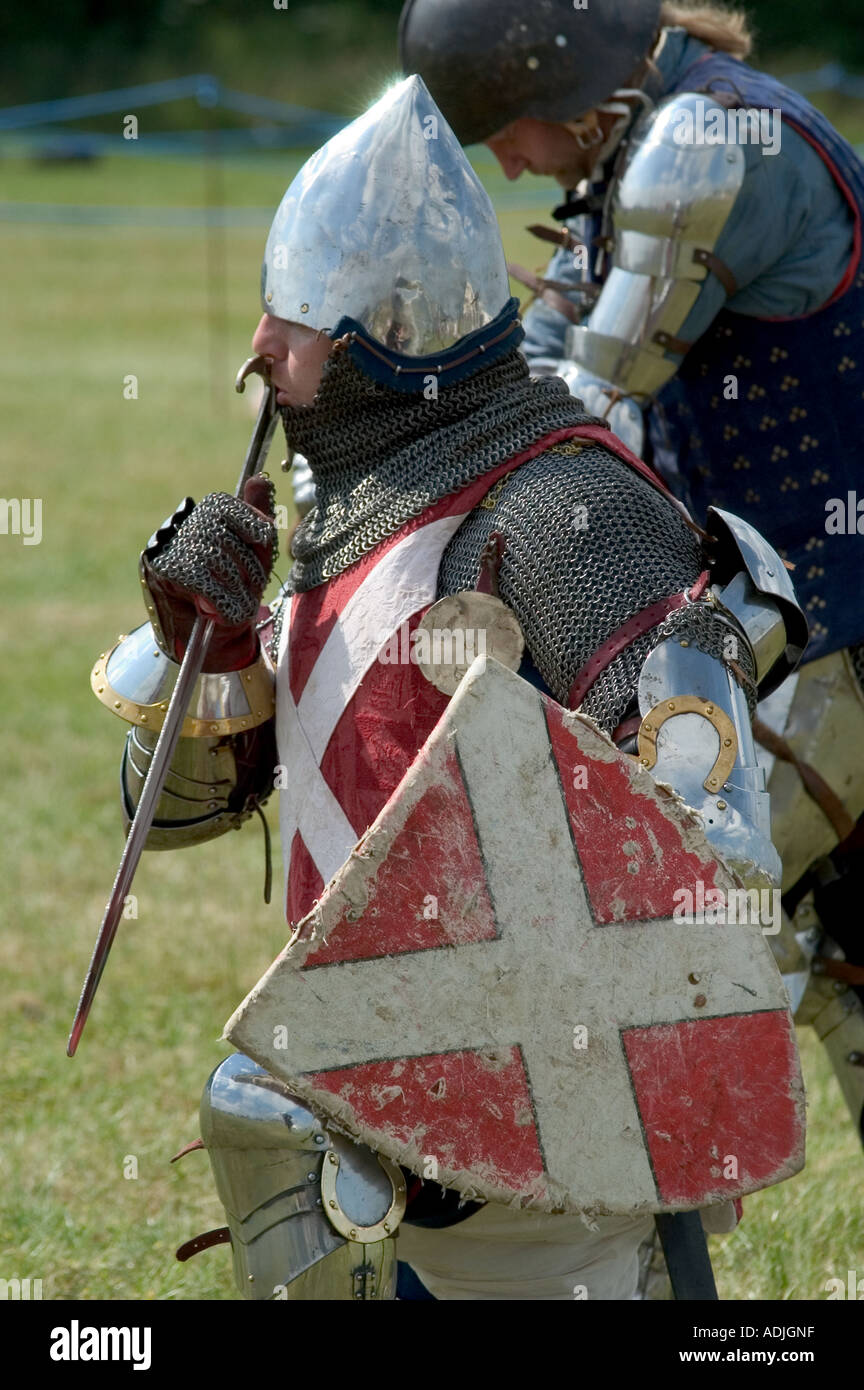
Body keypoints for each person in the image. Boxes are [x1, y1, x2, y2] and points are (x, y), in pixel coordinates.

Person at [92, 75, 803, 1299]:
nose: (261, 347)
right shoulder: (346, 520)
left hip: (554, 1180)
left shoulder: (562, 513)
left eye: (294, 321)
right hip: (388, 1141)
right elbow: (169, 817)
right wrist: (208, 657)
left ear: (389, 338)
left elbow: (709, 850)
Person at [399, 0, 864, 1154]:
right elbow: (546, 360)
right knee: (838, 959)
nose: (505, 158)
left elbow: (592, 408)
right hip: (790, 613)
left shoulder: (703, 152)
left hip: (827, 628)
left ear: (579, 89)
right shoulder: (649, 146)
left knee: (642, 942)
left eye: (509, 128)